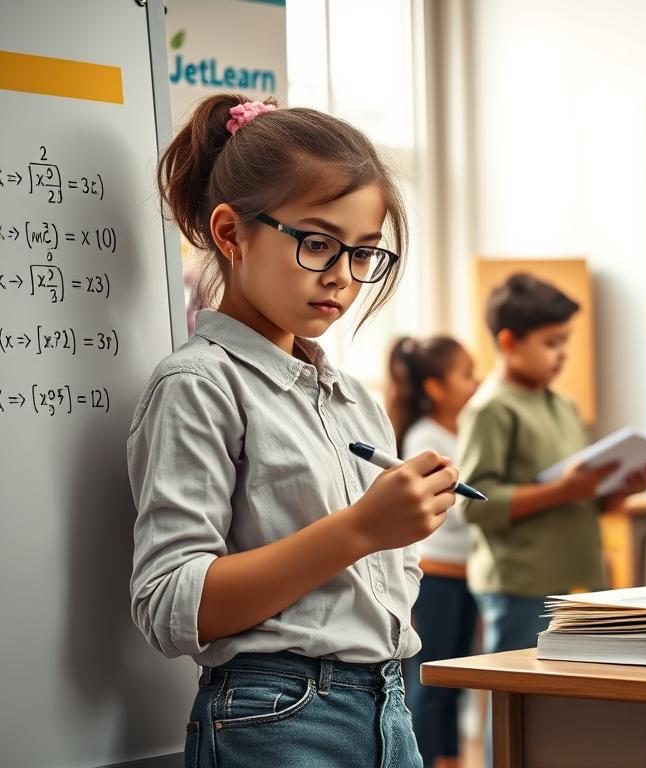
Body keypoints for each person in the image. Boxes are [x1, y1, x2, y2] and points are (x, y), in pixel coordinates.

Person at [128, 94, 455, 767]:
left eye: (365, 254)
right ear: (229, 234)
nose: (341, 276)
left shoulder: (353, 400)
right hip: (277, 715)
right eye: (316, 242)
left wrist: (394, 531)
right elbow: (170, 604)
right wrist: (362, 528)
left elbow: (389, 578)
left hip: (389, 704)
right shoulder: (199, 385)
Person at [456, 273, 646, 762]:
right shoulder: (491, 409)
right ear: (509, 342)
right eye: (552, 343)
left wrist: (618, 492)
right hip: (520, 582)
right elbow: (473, 503)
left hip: (573, 575)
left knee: (562, 703)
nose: (563, 354)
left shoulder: (562, 405)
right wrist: (564, 489)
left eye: (566, 342)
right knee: (514, 702)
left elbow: (578, 497)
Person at [387, 336, 480, 768]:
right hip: (439, 572)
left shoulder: (469, 430)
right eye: (466, 374)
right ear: (437, 388)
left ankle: (451, 759)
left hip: (468, 571)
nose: (477, 381)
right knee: (433, 677)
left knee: (457, 677)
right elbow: (443, 507)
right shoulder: (427, 437)